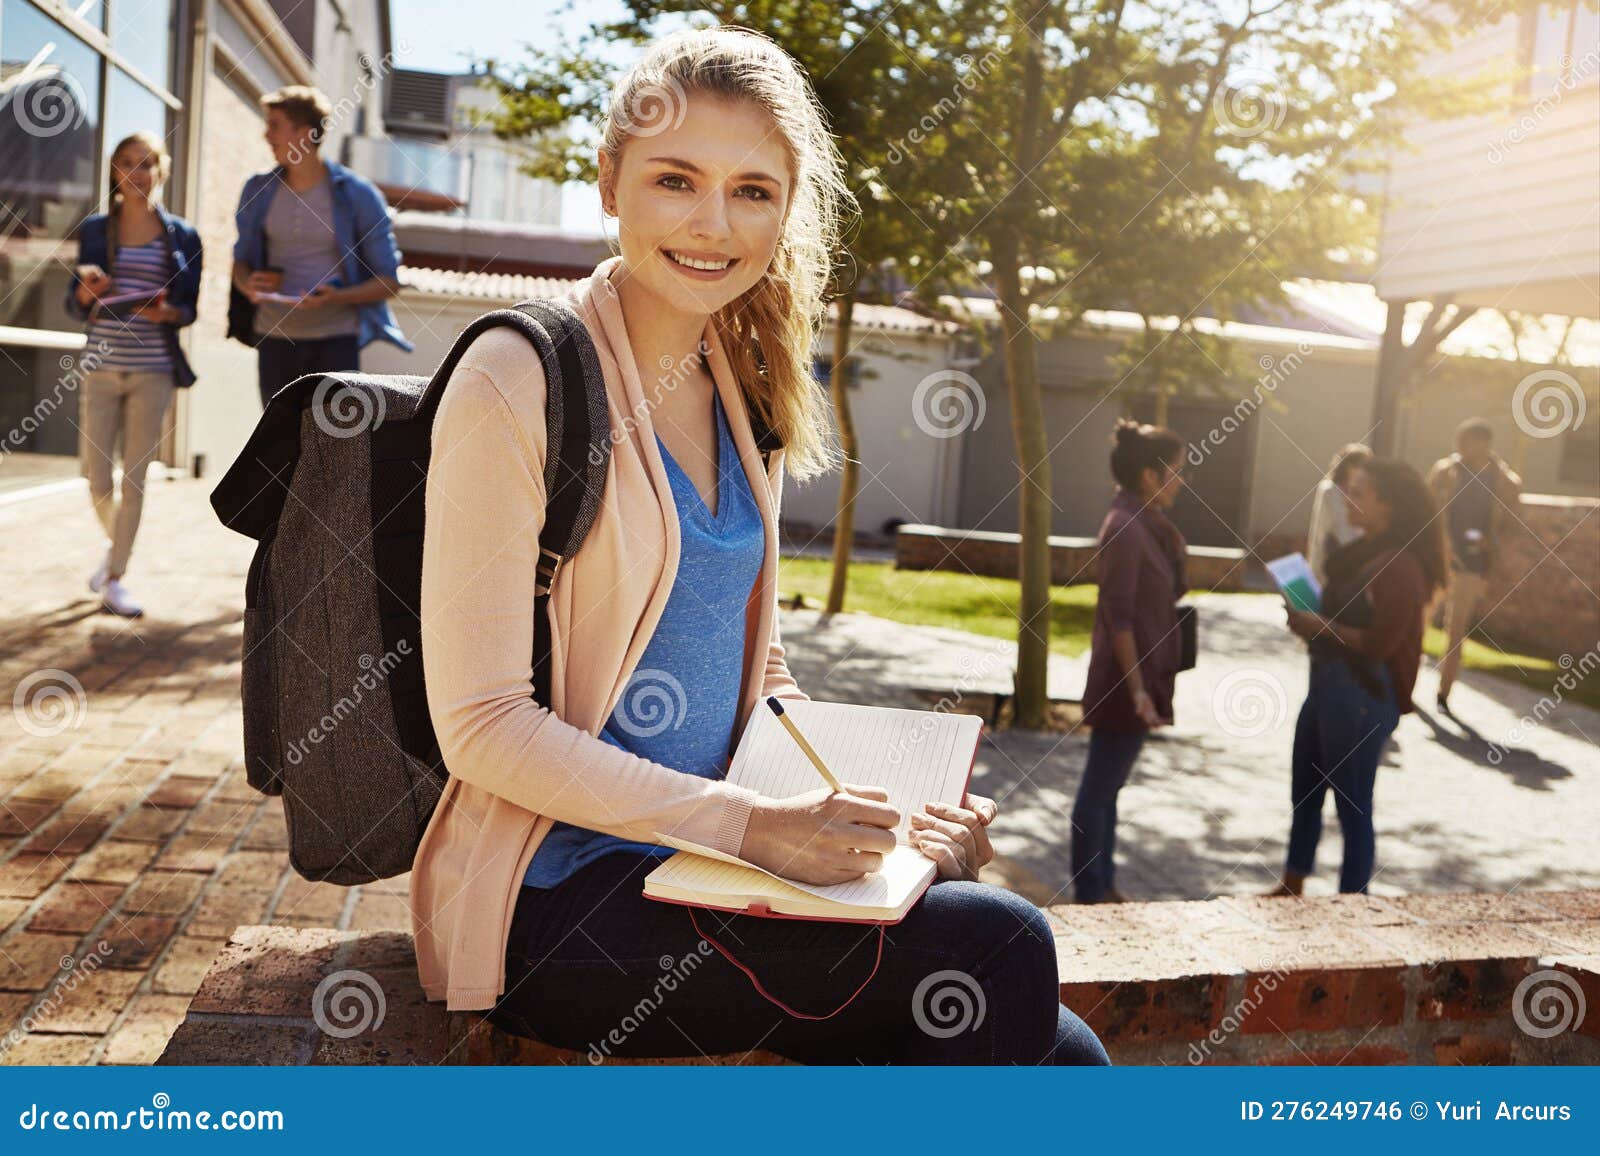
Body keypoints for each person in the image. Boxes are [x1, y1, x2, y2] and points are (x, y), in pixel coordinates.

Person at [410, 27, 1107, 1066]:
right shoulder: (519, 379)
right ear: (609, 183)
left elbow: (757, 670)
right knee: (998, 944)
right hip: (556, 899)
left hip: (719, 865)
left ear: (786, 211)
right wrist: (751, 827)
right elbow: (481, 725)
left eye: (751, 191)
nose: (711, 223)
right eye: (675, 180)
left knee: (1064, 1050)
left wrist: (883, 811)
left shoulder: (743, 391)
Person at [1272, 459, 1446, 896]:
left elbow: (1379, 644)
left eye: (1361, 492)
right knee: (1305, 791)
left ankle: (1353, 906)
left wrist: (1318, 625)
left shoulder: (1401, 566)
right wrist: (1307, 619)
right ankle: (1292, 885)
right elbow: (1340, 621)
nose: (1349, 498)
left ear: (1388, 506)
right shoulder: (1356, 554)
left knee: (1353, 808)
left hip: (1363, 695)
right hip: (1327, 684)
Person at [64, 132, 203, 618]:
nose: (136, 173)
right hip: (101, 365)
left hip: (153, 371)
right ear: (115, 172)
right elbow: (73, 302)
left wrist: (166, 313)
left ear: (160, 172)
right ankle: (115, 549)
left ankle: (117, 577)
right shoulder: (97, 230)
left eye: (146, 164)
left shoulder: (182, 236)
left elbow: (188, 310)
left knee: (135, 478)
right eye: (127, 163)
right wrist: (86, 294)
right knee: (96, 476)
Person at [232, 86, 411, 408]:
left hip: (335, 339)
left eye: (274, 125)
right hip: (275, 336)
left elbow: (389, 280)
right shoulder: (257, 190)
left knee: (333, 445)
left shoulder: (358, 195)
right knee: (277, 447)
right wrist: (249, 285)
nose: (265, 134)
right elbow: (239, 264)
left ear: (304, 132)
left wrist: (337, 297)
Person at [1071, 420, 1188, 905]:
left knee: (1110, 787)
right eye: (1175, 472)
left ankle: (1104, 884)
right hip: (1123, 682)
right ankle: (1091, 892)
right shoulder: (1124, 527)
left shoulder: (1143, 524)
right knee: (1098, 790)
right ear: (1149, 476)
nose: (1181, 482)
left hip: (1139, 678)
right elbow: (1118, 617)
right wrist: (1138, 690)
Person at [1427, 419, 1521, 713]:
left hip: (1472, 564)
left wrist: (1491, 541)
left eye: (1465, 441)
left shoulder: (1504, 481)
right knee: (1417, 619)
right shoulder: (1445, 472)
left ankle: (1443, 694)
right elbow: (1425, 508)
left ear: (1483, 444)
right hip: (1437, 558)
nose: (1459, 447)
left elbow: (1513, 524)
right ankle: (1403, 686)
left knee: (1456, 629)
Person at [1306, 442, 1371, 587]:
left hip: (1354, 558)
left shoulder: (1360, 492)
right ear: (1346, 467)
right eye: (1357, 467)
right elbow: (1333, 527)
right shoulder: (1329, 491)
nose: (1360, 473)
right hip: (1331, 552)